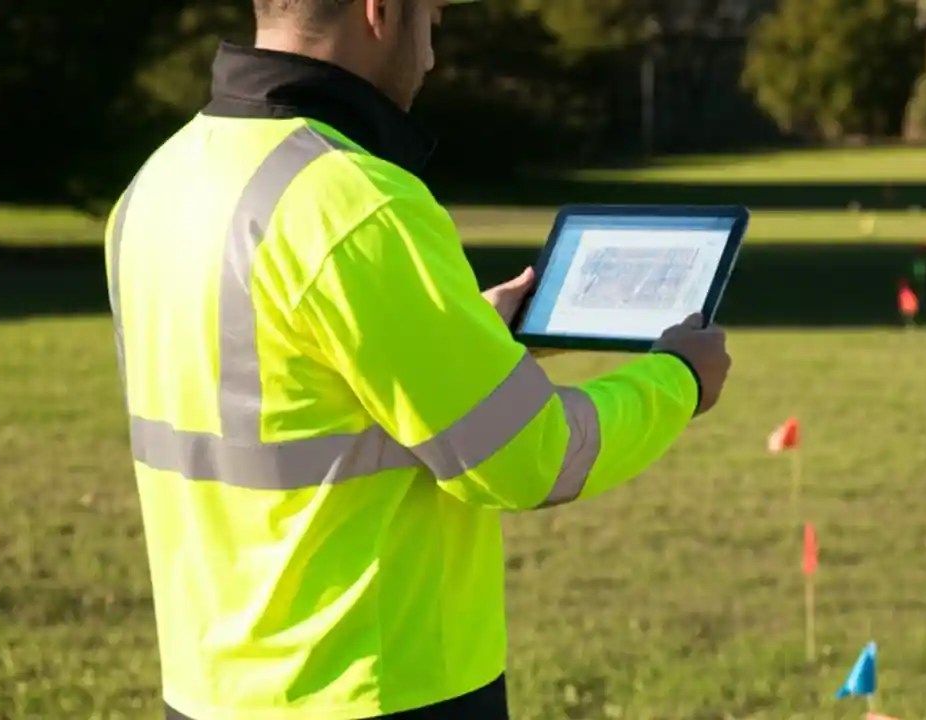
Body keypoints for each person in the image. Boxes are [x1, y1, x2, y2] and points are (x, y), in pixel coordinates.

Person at [103, 0, 732, 718]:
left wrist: (466, 333)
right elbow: (531, 457)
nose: (431, 55)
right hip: (377, 687)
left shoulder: (160, 180)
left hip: (206, 689)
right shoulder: (357, 199)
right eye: (431, 18)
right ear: (380, 10)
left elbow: (282, 380)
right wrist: (679, 378)